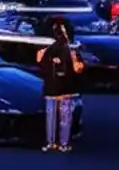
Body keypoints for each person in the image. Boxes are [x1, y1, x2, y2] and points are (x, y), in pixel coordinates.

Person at [36, 21, 85, 153]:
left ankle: (58, 143)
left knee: (60, 117)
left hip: (60, 89)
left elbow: (79, 68)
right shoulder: (48, 51)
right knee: (57, 118)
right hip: (58, 89)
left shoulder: (70, 52)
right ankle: (57, 143)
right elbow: (79, 69)